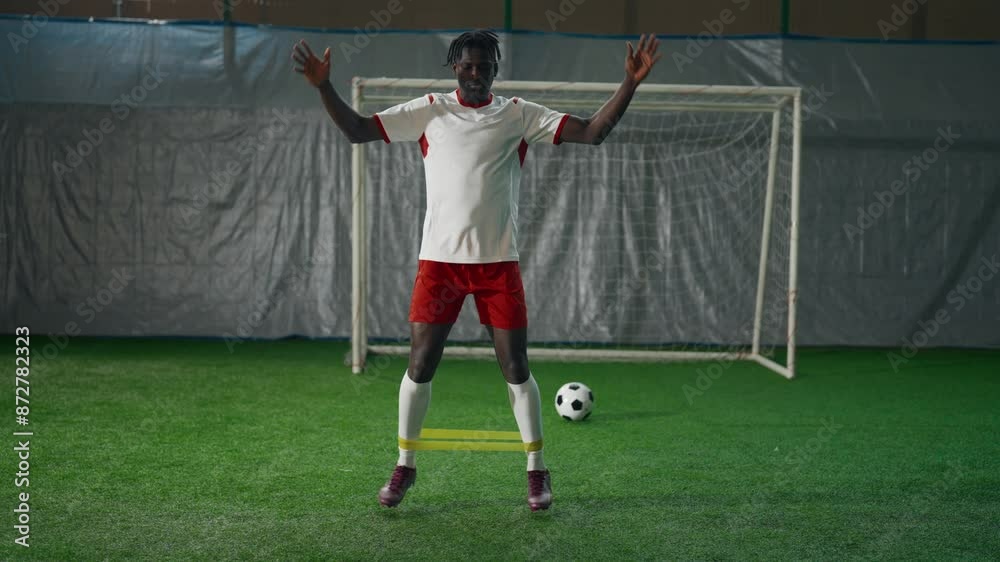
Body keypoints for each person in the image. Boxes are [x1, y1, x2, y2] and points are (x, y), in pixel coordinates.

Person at [292, 29, 661, 511]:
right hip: (440, 265)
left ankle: (537, 470)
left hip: (497, 266)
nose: (475, 71)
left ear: (495, 69)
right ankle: (405, 465)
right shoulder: (430, 110)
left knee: (516, 368)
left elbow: (592, 133)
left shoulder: (518, 114)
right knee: (420, 365)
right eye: (466, 64)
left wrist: (630, 84)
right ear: (453, 67)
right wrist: (323, 86)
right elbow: (358, 129)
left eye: (484, 65)